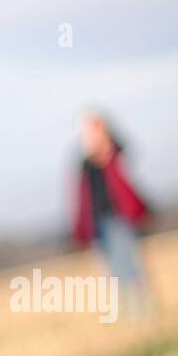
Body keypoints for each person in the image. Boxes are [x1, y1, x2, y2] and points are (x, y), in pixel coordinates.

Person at [72, 111, 153, 313]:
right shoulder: (85, 162)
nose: (85, 135)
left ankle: (143, 310)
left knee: (128, 265)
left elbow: (123, 155)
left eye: (90, 130)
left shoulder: (113, 153)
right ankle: (129, 310)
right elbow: (82, 198)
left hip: (117, 219)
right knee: (112, 271)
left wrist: (105, 146)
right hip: (96, 224)